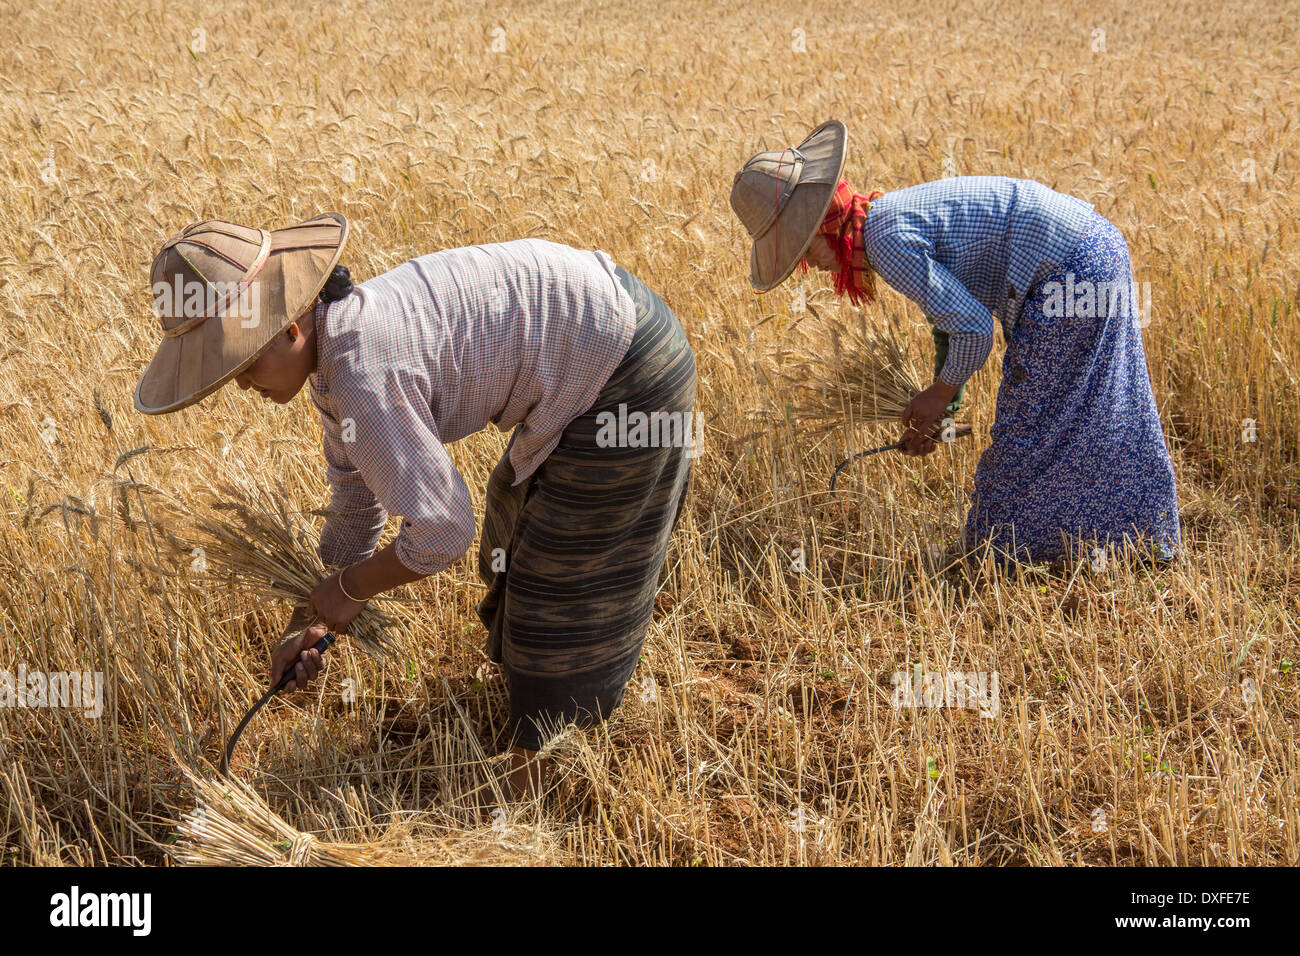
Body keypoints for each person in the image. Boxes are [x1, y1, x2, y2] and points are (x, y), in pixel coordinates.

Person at [135, 213, 696, 795]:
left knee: (557, 577)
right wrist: (309, 619)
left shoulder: (360, 371)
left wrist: (351, 589)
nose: (243, 385)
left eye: (244, 363)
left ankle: (534, 778)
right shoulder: (337, 351)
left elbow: (445, 531)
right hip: (608, 334)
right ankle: (533, 711)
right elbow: (357, 498)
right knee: (515, 528)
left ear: (290, 330)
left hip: (628, 374)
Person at [729, 120, 1179, 563]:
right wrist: (943, 407)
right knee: (1101, 406)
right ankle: (1135, 539)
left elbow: (975, 329)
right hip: (1097, 250)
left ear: (828, 229)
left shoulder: (886, 242)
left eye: (806, 252)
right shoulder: (888, 216)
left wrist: (937, 394)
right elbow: (951, 322)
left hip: (1067, 276)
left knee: (1028, 427)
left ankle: (994, 552)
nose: (814, 266)